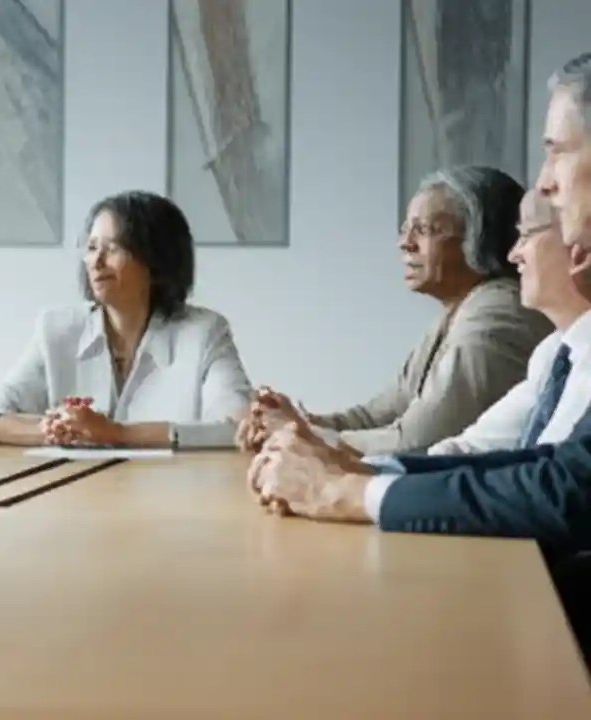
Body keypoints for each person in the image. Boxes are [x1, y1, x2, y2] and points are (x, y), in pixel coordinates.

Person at [247, 50, 591, 663]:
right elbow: (501, 458)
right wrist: (328, 456)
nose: (543, 179)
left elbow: (558, 487)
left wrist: (341, 487)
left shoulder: (495, 314)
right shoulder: (542, 344)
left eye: (555, 151)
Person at [239, 166, 551, 455]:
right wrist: (295, 422)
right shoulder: (459, 309)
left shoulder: (497, 315)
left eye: (425, 229)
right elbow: (377, 415)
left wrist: (299, 434)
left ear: (480, 240)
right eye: (406, 228)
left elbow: (416, 443)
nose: (405, 243)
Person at [0, 190, 252, 448]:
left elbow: (238, 427)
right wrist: (52, 429)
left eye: (113, 249)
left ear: (156, 259)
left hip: (171, 491)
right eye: (91, 247)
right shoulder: (56, 330)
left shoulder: (204, 333)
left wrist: (119, 434)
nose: (96, 262)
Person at [423, 191, 591, 455]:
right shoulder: (552, 352)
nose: (514, 255)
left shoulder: (497, 310)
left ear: (580, 248)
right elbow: (471, 448)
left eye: (525, 235)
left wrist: (374, 486)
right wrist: (375, 474)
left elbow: (553, 484)